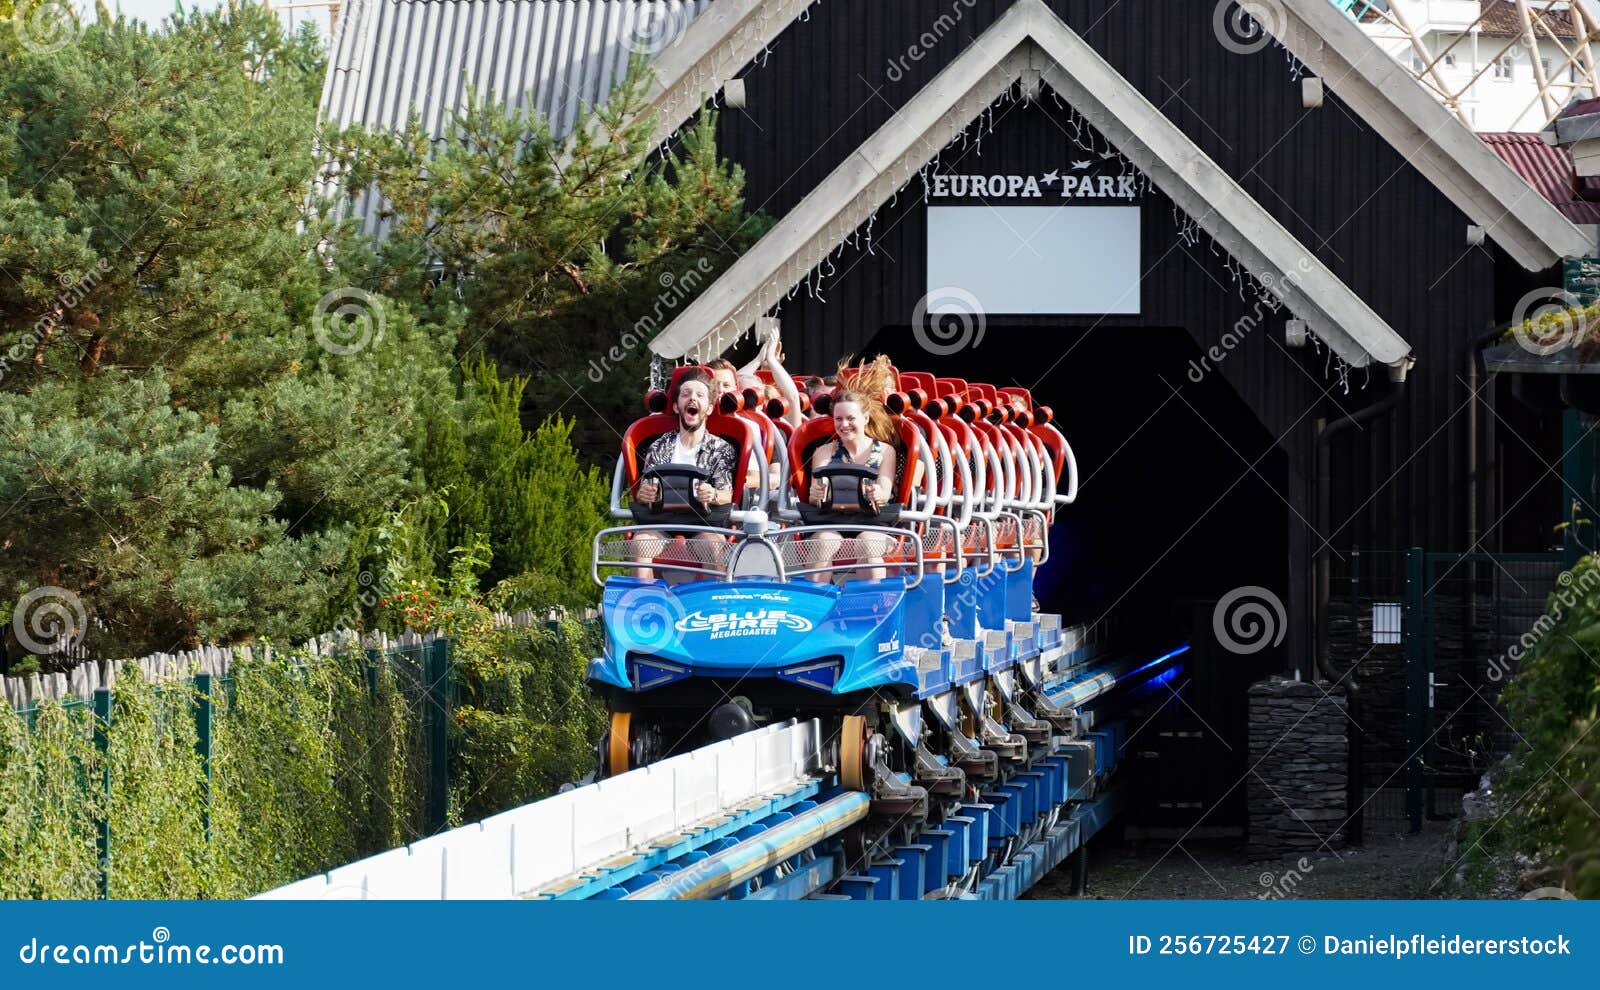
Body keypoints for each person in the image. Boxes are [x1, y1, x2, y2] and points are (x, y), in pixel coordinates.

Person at [633, 369, 737, 581]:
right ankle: (641, 601)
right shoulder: (659, 445)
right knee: (640, 543)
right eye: (686, 394)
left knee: (714, 546)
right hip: (664, 520)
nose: (692, 399)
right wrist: (645, 494)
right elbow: (646, 488)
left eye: (699, 395)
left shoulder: (720, 448)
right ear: (676, 405)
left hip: (702, 521)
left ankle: (712, 603)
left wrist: (713, 495)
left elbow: (727, 493)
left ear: (708, 408)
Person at [802, 387, 899, 582]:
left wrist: (877, 494)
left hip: (872, 522)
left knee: (867, 543)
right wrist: (817, 493)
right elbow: (815, 492)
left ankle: (870, 604)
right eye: (838, 419)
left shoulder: (885, 451)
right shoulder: (824, 451)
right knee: (824, 541)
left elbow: (884, 490)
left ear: (865, 418)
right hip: (831, 520)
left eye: (851, 418)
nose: (844, 424)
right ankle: (816, 604)